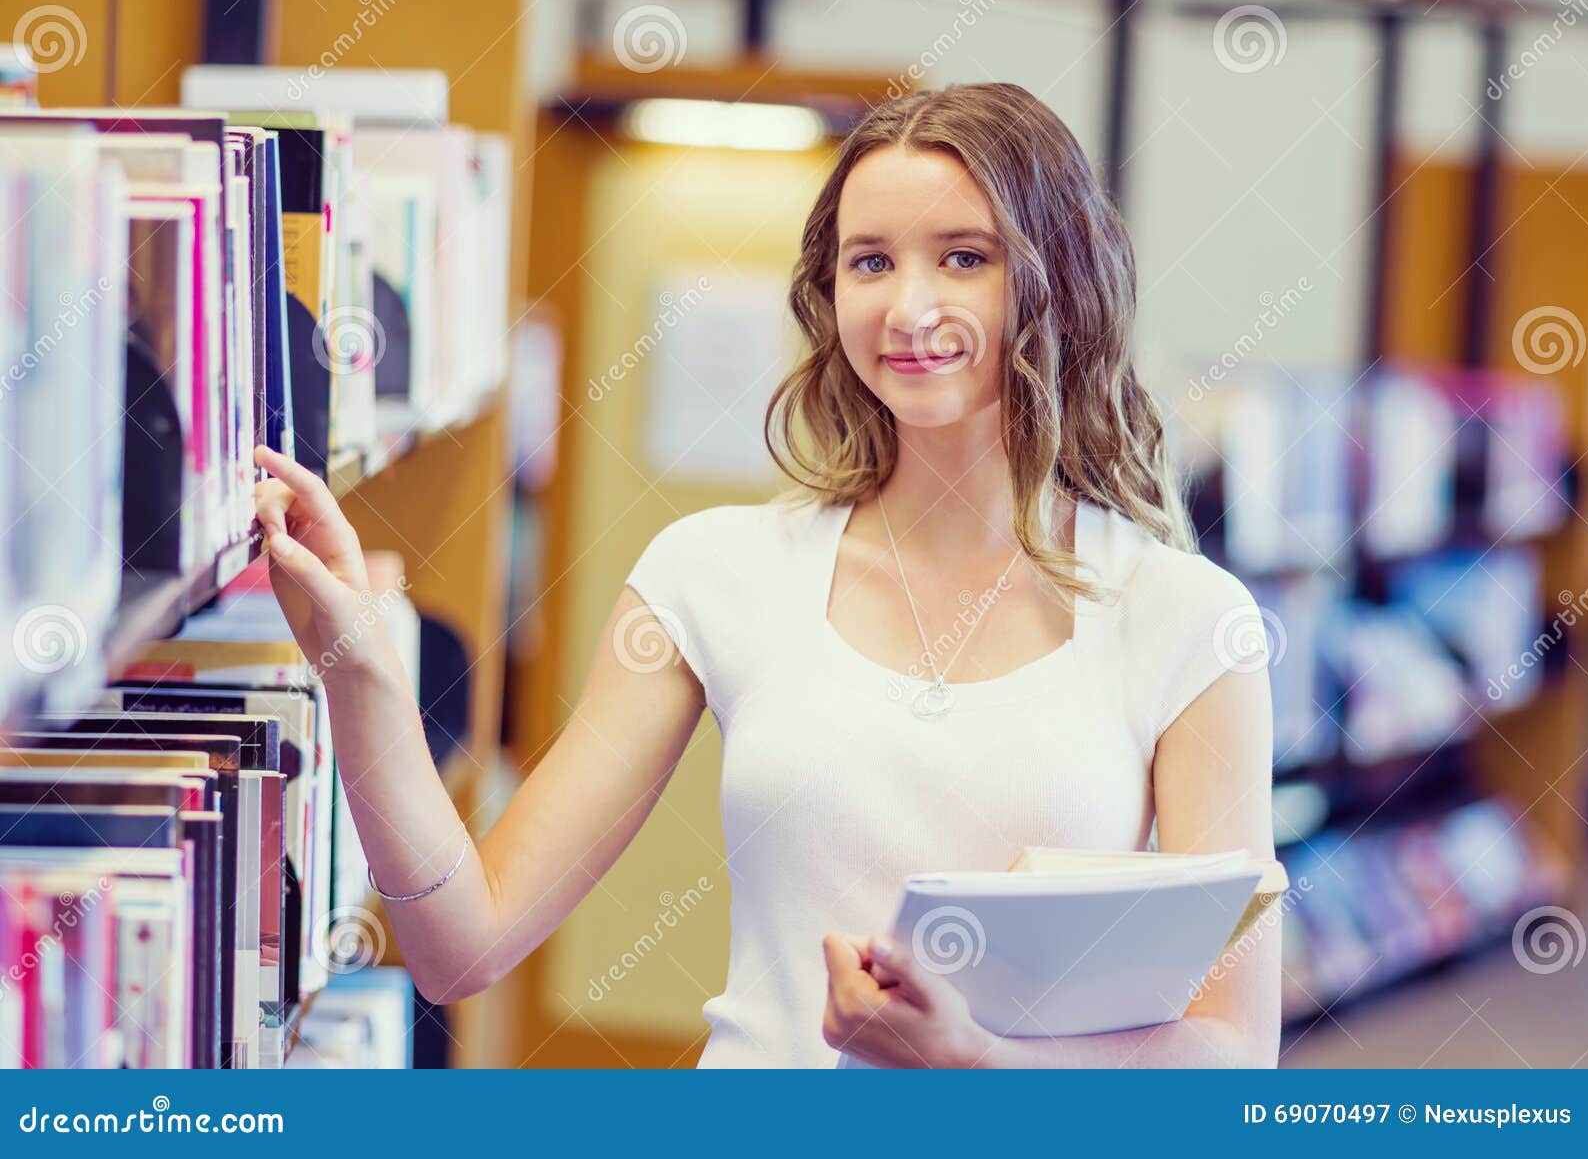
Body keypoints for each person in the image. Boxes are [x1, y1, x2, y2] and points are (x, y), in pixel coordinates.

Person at [253, 80, 1280, 1069]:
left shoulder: (1185, 620)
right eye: (869, 262)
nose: (908, 307)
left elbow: (1235, 1054)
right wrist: (358, 665)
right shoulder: (715, 573)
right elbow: (459, 947)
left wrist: (975, 1062)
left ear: (1059, 284)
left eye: (964, 257)